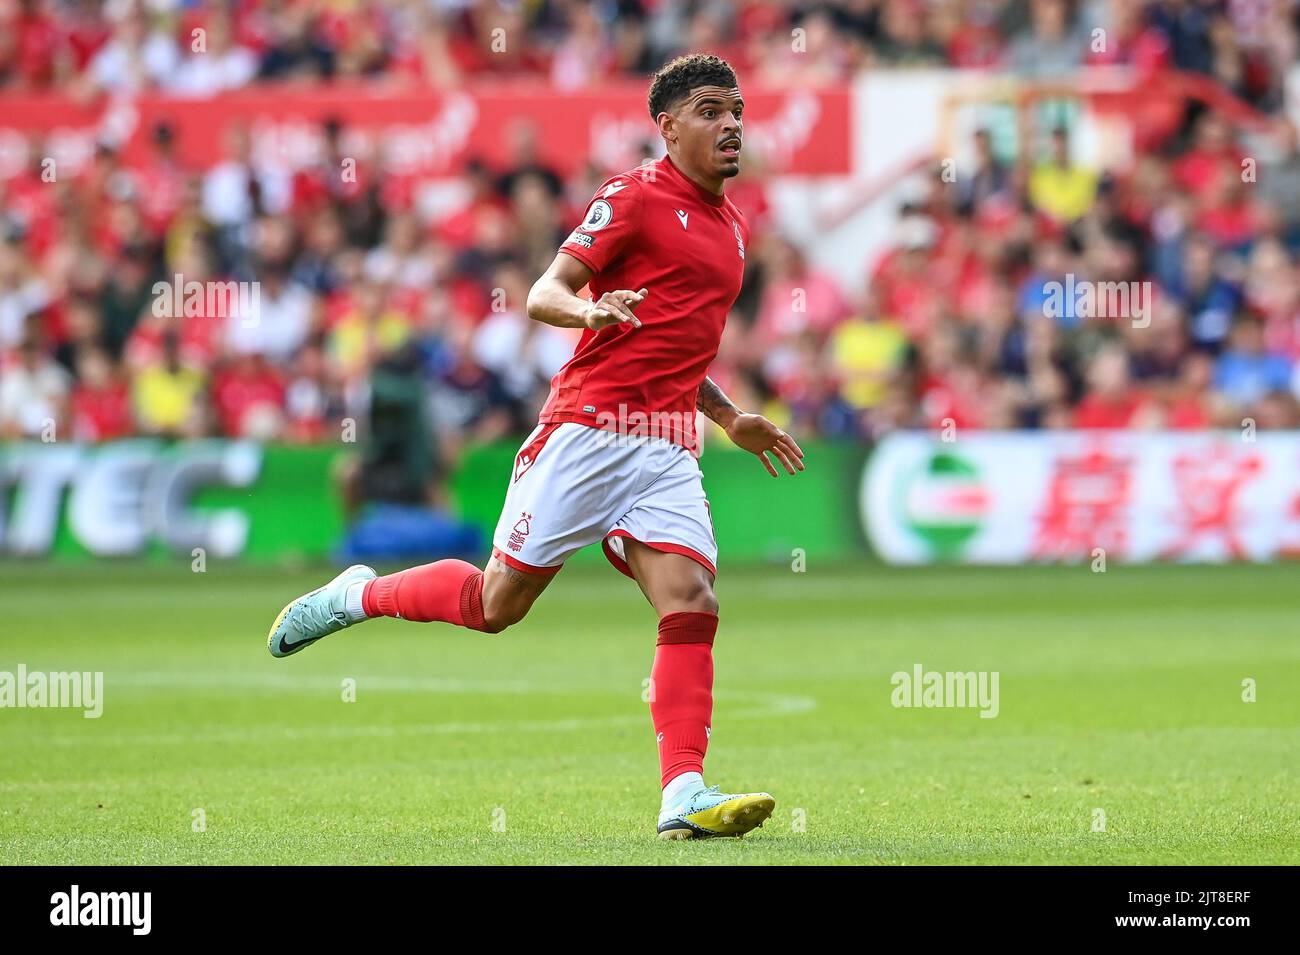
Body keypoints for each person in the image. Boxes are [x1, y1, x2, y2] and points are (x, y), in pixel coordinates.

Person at [265, 54, 804, 840]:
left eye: (738, 110)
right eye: (713, 111)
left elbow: (681, 350)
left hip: (665, 448)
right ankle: (354, 595)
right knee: (496, 605)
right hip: (587, 432)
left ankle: (682, 791)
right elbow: (543, 292)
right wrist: (588, 316)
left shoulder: (733, 230)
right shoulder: (634, 197)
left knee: (691, 600)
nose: (732, 125)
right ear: (670, 126)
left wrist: (726, 416)